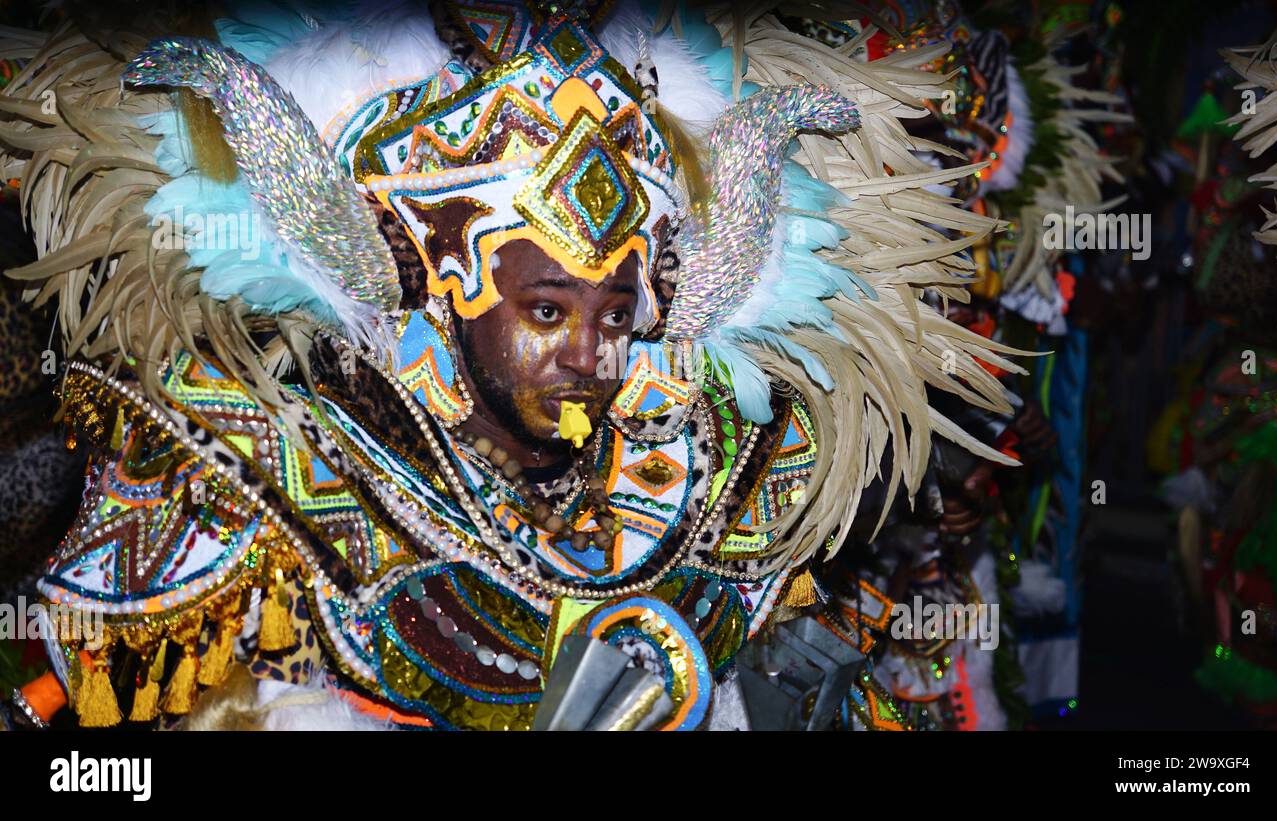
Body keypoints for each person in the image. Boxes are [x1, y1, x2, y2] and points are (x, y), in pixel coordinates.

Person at [0, 0, 1020, 730]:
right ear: (446, 286)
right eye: (546, 308)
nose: (591, 353)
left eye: (617, 311)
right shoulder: (259, 471)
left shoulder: (720, 491)